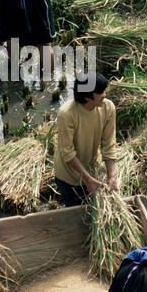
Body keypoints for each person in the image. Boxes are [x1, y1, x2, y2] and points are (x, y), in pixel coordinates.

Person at [52, 72, 117, 206]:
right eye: (101, 93)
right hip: (68, 177)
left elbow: (109, 144)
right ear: (88, 97)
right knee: (76, 212)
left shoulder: (108, 107)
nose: (105, 95)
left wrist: (112, 176)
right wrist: (88, 179)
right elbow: (67, 152)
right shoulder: (67, 114)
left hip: (91, 169)